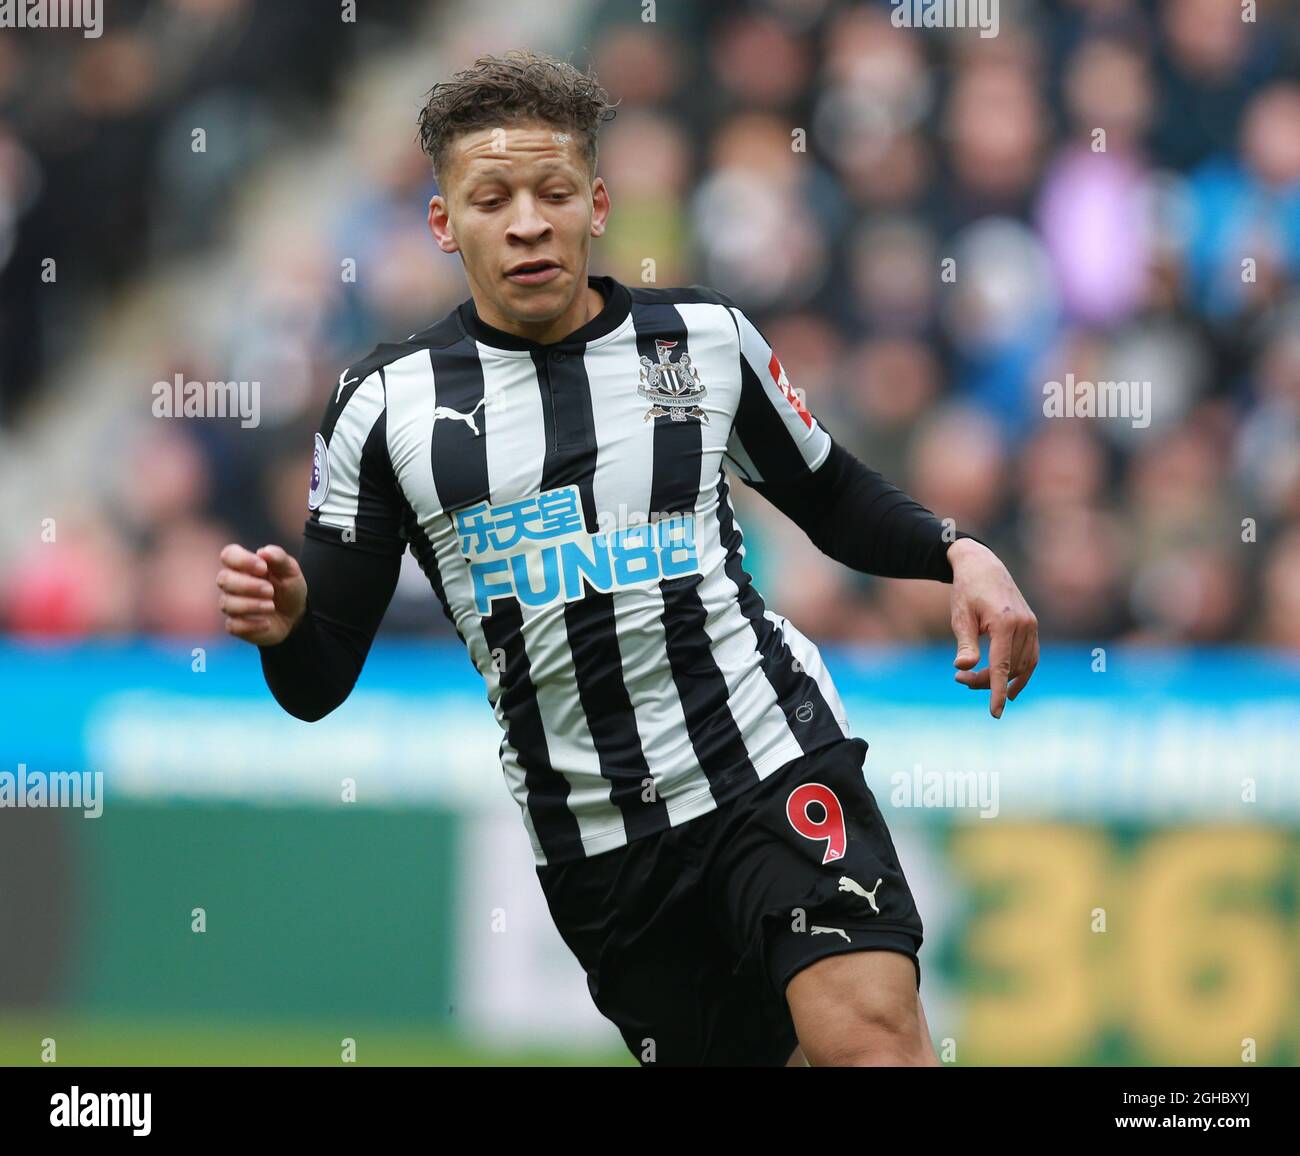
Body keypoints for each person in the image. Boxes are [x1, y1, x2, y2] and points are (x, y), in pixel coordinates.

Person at [216, 49, 1038, 1067]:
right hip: (602, 844)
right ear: (443, 224)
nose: (527, 221)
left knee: (867, 1037)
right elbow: (316, 681)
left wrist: (959, 552)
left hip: (764, 759)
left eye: (553, 191)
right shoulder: (382, 408)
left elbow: (826, 492)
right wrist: (288, 622)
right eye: (492, 198)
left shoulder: (702, 340)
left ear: (596, 204)